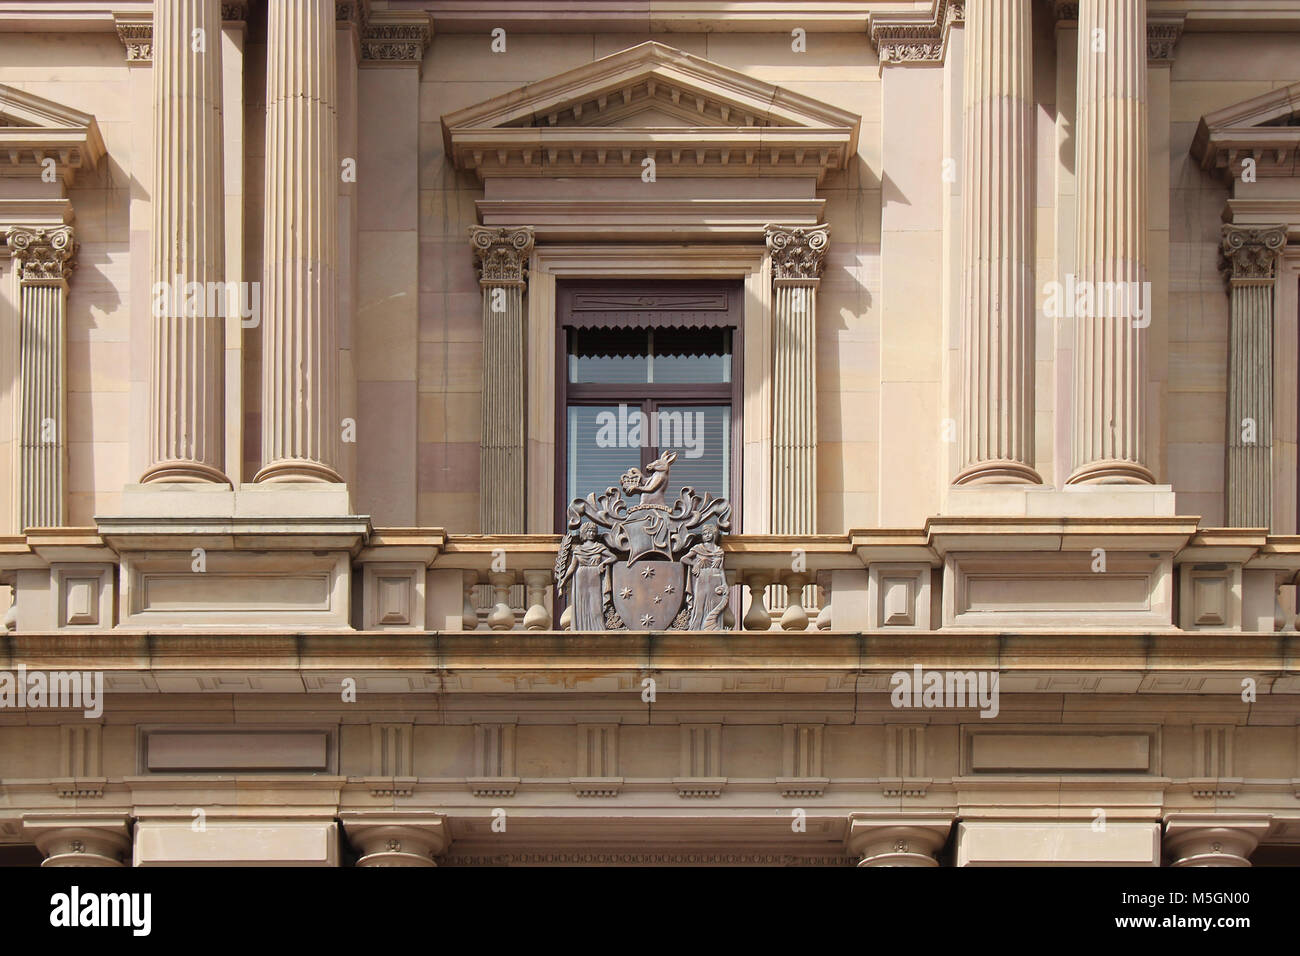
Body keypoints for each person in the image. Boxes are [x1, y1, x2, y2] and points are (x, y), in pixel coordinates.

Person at [557, 522, 616, 631]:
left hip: (594, 574)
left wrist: (603, 563)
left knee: (595, 602)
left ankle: (597, 627)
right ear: (584, 533)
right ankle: (581, 626)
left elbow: (613, 557)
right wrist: (563, 581)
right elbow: (572, 567)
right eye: (589, 531)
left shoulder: (599, 547)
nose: (592, 533)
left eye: (594, 531)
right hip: (581, 575)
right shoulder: (578, 549)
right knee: (582, 602)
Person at [681, 524, 727, 630]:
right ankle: (695, 628)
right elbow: (684, 559)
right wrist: (694, 564)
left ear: (714, 534)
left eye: (709, 533)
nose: (706, 535)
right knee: (699, 604)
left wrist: (724, 583)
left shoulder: (719, 550)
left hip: (716, 579)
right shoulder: (698, 548)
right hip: (702, 577)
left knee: (714, 604)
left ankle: (712, 628)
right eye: (704, 533)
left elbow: (721, 569)